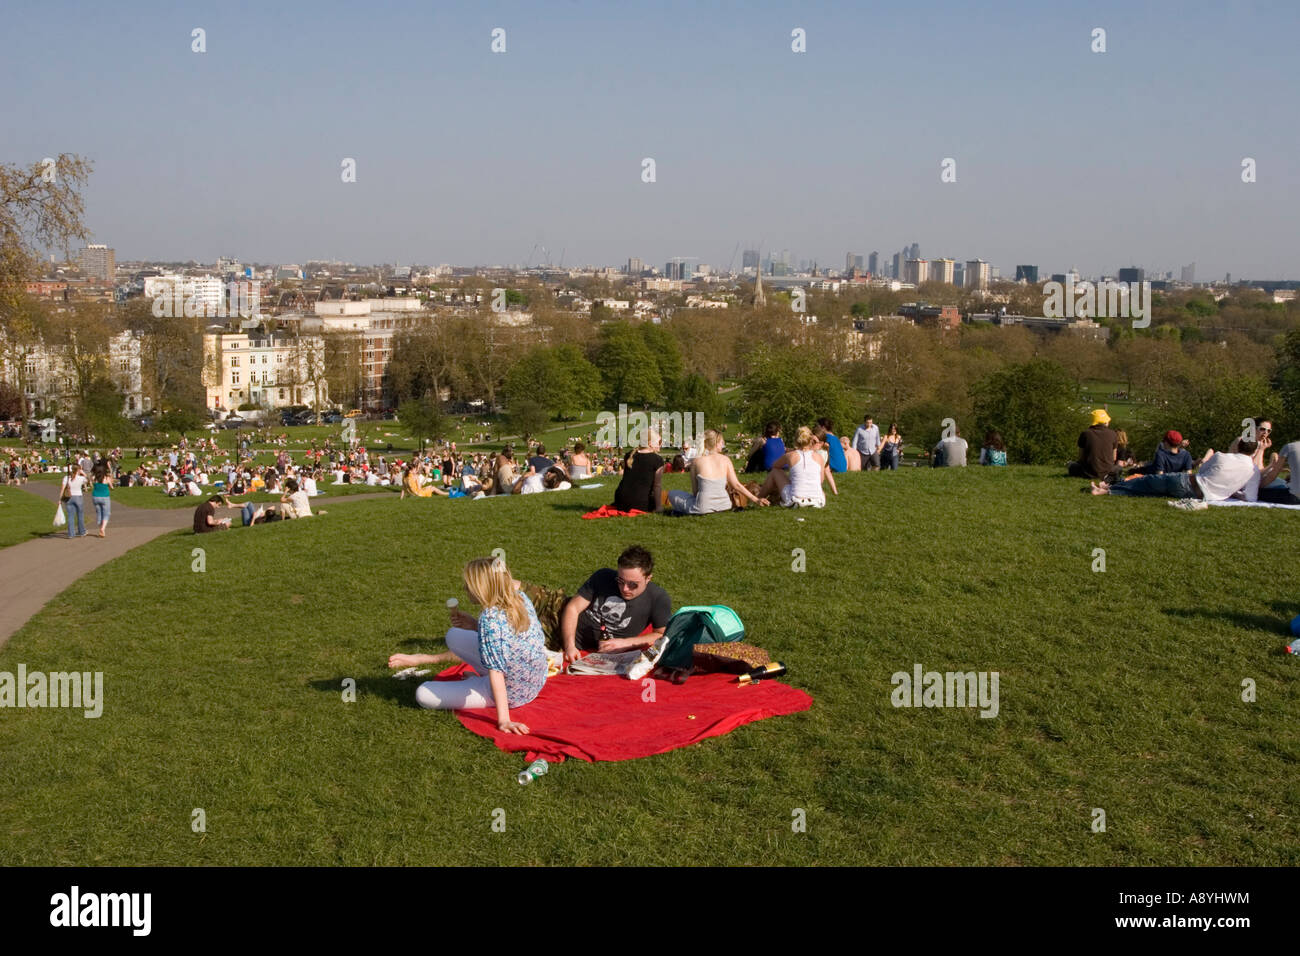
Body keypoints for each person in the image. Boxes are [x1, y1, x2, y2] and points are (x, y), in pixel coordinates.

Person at [390, 557, 548, 733]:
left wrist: (504, 720)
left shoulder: (490, 619)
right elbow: (508, 640)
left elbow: (497, 671)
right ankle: (478, 681)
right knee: (454, 635)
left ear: (481, 587)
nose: (465, 588)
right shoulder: (519, 597)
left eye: (469, 584)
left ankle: (482, 685)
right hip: (534, 680)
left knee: (423, 693)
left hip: (512, 692)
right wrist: (474, 625)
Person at [559, 545, 672, 667]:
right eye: (620, 581)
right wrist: (569, 646)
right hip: (561, 629)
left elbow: (661, 635)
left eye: (633, 585)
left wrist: (625, 643)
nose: (625, 589)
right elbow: (573, 608)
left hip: (601, 655)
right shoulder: (603, 577)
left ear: (648, 578)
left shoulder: (657, 598)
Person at [1090, 441, 1261, 501]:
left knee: (1145, 482)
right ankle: (1107, 489)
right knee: (1150, 492)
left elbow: (1202, 471)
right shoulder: (1253, 470)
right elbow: (1251, 497)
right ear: (1254, 452)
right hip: (1200, 496)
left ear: (1238, 446)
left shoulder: (1222, 456)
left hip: (1188, 483)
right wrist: (1231, 491)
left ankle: (1107, 489)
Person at [668, 429, 768, 514]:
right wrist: (756, 500)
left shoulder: (696, 462)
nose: (723, 445)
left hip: (703, 507)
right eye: (722, 442)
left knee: (672, 494)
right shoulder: (725, 460)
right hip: (724, 505)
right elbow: (736, 485)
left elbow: (695, 492)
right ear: (716, 443)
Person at [757, 426, 838, 508]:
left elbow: (774, 466)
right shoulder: (819, 457)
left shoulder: (790, 455)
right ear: (810, 440)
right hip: (818, 501)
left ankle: (758, 498)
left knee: (775, 472)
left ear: (796, 440)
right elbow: (820, 480)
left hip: (795, 500)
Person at [612, 429, 665, 513]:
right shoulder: (657, 460)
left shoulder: (629, 455)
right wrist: (658, 507)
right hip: (640, 504)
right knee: (665, 496)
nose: (661, 444)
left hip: (620, 501)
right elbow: (657, 486)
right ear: (650, 443)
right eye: (659, 442)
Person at [1068, 409, 1119, 480]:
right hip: (1107, 473)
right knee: (1118, 468)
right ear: (1106, 422)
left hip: (1088, 472)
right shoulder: (1113, 434)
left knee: (1071, 465)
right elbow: (1114, 458)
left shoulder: (1085, 433)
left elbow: (1081, 457)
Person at [1257, 438, 1300, 504]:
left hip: (1294, 497)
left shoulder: (1289, 447)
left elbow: (1272, 476)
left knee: (1259, 492)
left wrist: (1257, 487)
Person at [60, 464, 88, 539]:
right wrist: (83, 473)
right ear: (78, 470)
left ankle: (71, 533)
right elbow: (87, 479)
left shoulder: (66, 478)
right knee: (80, 515)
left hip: (69, 497)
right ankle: (82, 531)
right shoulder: (80, 478)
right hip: (78, 496)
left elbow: (62, 489)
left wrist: (60, 499)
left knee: (70, 516)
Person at [91, 460, 112, 537]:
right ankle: (103, 528)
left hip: (95, 497)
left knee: (99, 513)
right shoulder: (106, 478)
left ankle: (100, 528)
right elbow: (111, 486)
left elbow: (91, 483)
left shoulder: (94, 478)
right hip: (105, 497)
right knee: (106, 513)